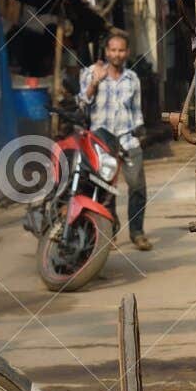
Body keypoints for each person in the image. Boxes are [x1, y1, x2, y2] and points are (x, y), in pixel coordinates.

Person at [78, 30, 150, 250]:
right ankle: (109, 233)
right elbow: (82, 103)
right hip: (101, 142)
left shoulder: (132, 79)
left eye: (121, 50)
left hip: (128, 140)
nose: (117, 54)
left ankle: (137, 232)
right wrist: (95, 82)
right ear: (106, 52)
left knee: (137, 187)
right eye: (113, 50)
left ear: (127, 52)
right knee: (105, 189)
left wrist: (140, 132)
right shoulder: (91, 72)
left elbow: (136, 110)